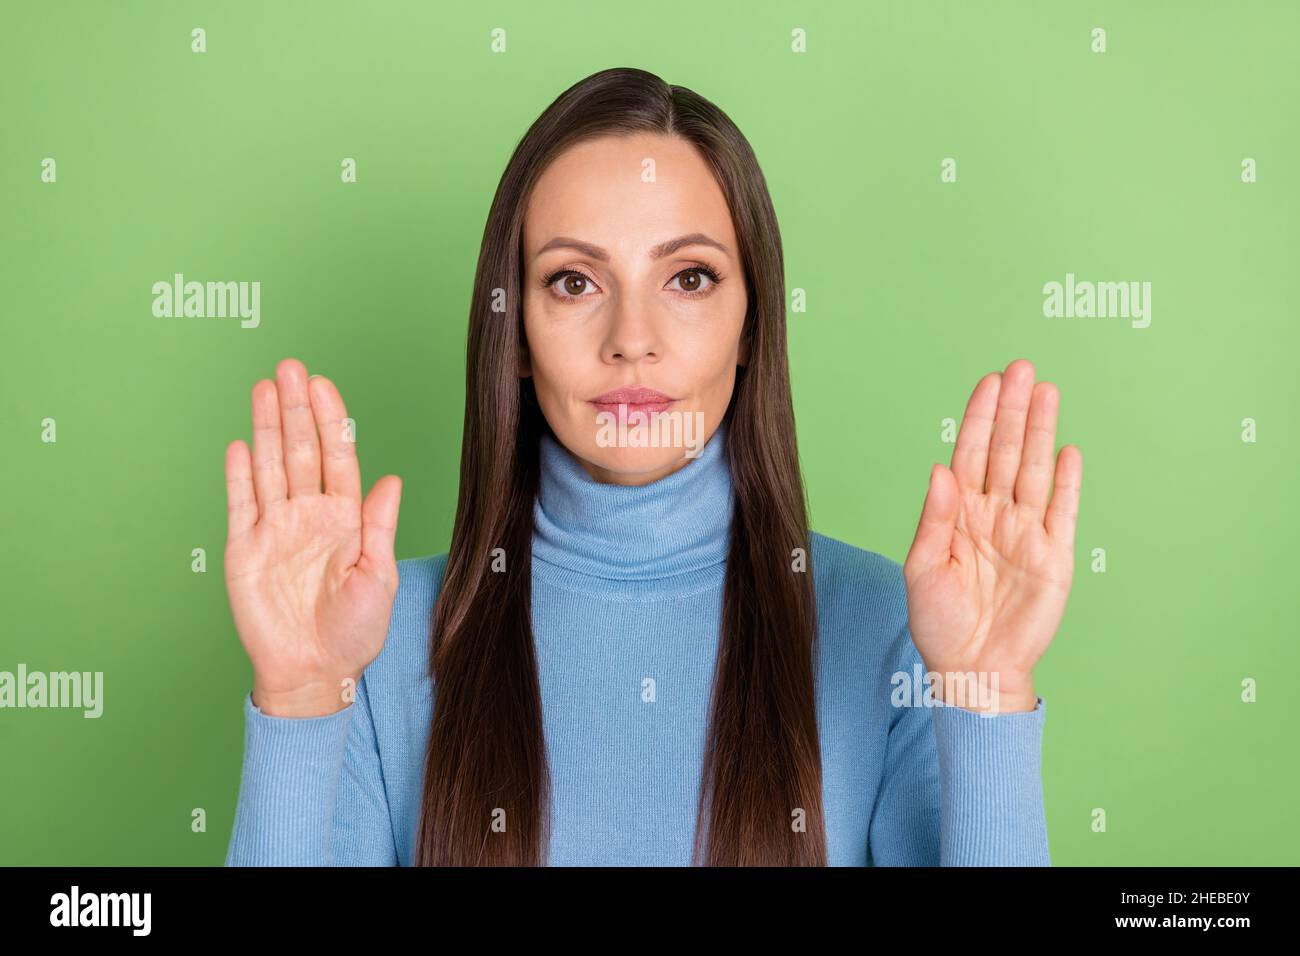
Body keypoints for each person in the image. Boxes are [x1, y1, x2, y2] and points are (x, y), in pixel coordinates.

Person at [222, 67, 1082, 866]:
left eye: (689, 278)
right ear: (513, 330)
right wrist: (302, 695)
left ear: (751, 324)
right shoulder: (373, 636)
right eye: (573, 282)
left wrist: (988, 692)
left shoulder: (893, 628)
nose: (632, 338)